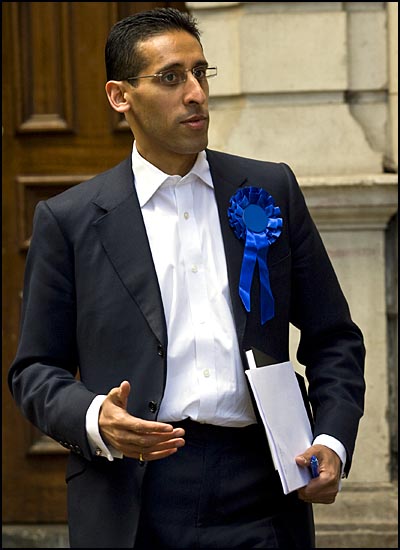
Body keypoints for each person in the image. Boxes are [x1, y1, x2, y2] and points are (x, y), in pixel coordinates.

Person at [8, 7, 366, 549]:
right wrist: (93, 418)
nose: (196, 93)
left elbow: (334, 336)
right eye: (171, 77)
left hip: (264, 485)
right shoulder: (70, 220)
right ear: (119, 95)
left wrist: (333, 439)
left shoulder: (270, 190)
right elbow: (35, 370)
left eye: (201, 73)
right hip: (134, 494)